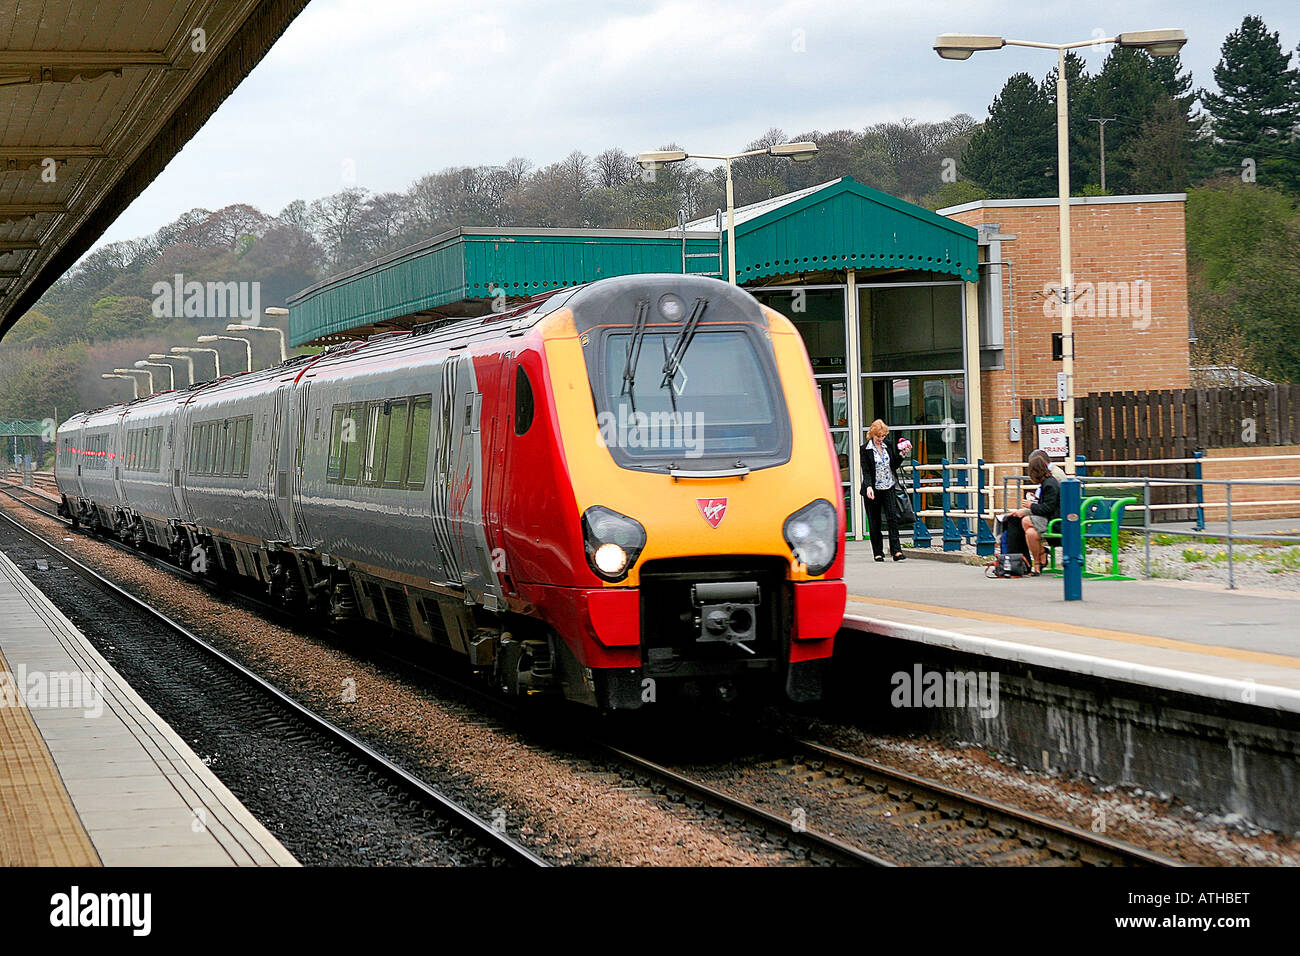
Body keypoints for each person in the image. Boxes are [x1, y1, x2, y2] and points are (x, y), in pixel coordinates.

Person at [860, 419, 912, 562]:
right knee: (875, 521)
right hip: (873, 489)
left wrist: (902, 454)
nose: (880, 439)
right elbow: (866, 471)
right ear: (872, 435)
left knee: (892, 519)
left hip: (889, 486)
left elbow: (893, 465)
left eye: (883, 436)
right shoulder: (865, 449)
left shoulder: (887, 445)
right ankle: (878, 552)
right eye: (878, 436)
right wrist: (869, 486)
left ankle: (896, 551)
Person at [1005, 449, 1061, 574]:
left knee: (1025, 521)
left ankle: (1039, 557)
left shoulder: (1050, 483)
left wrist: (1030, 506)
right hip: (1050, 517)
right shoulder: (1047, 482)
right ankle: (1037, 561)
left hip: (1055, 521)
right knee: (1030, 532)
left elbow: (1049, 508)